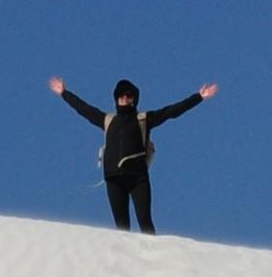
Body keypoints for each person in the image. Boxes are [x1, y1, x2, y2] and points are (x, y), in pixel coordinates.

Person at [50, 74, 216, 232]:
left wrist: (199, 97)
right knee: (122, 227)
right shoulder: (108, 120)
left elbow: (171, 112)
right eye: (121, 95)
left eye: (129, 96)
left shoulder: (144, 119)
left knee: (145, 220)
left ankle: (154, 255)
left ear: (134, 99)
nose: (125, 98)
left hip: (138, 178)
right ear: (116, 98)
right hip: (114, 178)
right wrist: (64, 93)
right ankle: (126, 260)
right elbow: (84, 109)